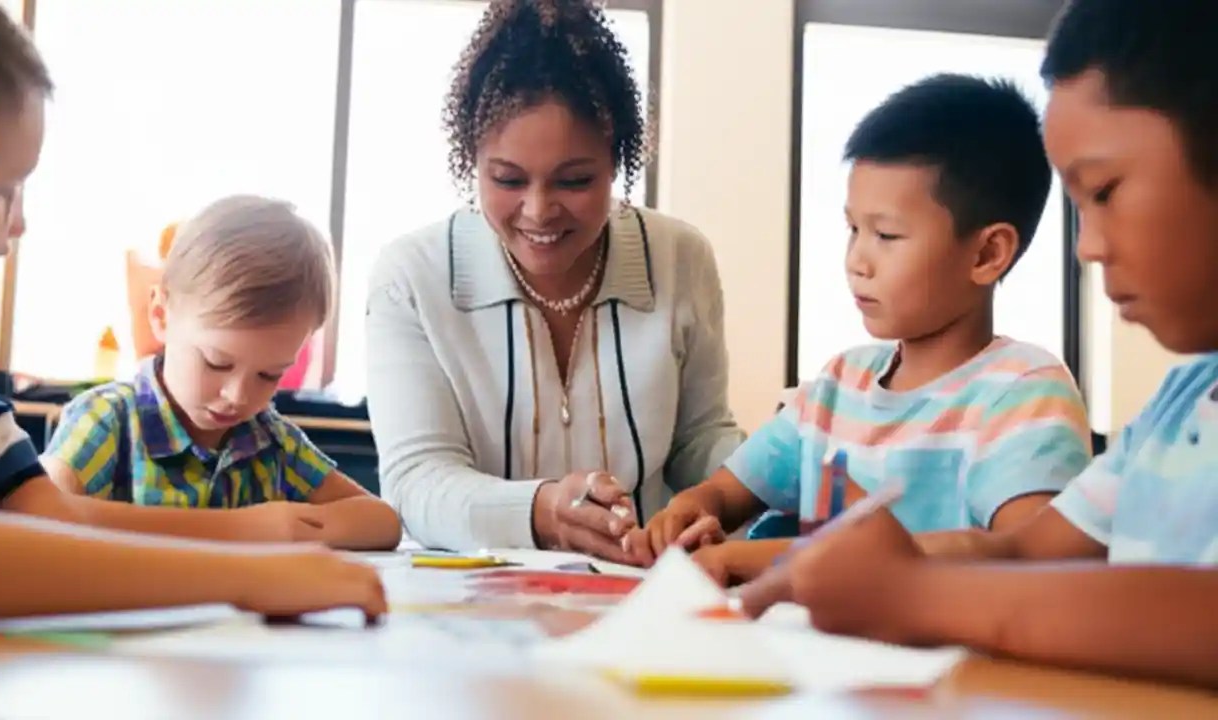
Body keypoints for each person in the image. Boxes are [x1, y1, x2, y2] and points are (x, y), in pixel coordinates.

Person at [739, 0, 1218, 689]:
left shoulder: (1023, 384)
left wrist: (912, 597)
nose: (1087, 246)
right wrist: (807, 564)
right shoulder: (1178, 408)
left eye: (1105, 191)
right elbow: (1025, 552)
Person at [0, 0, 385, 622]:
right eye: (3, 189)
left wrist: (256, 560)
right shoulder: (105, 416)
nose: (19, 222)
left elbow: (53, 527)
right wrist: (243, 567)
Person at [626, 74, 1092, 580]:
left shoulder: (1024, 393)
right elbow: (724, 492)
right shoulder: (837, 388)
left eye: (887, 235)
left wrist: (747, 559)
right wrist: (692, 509)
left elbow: (1030, 562)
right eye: (854, 228)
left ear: (986, 253)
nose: (857, 261)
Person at [365, 0, 745, 560]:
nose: (539, 211)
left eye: (575, 180)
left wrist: (768, 475)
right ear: (473, 160)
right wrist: (541, 511)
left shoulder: (680, 259)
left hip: (636, 594)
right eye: (508, 179)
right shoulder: (411, 278)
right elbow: (416, 481)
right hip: (466, 609)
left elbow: (699, 441)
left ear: (617, 161)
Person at [44, 196, 402, 551]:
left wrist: (294, 529)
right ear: (161, 316)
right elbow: (40, 517)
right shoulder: (107, 422)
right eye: (216, 363)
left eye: (268, 375)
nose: (238, 395)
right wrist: (245, 529)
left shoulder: (270, 440)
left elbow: (381, 521)